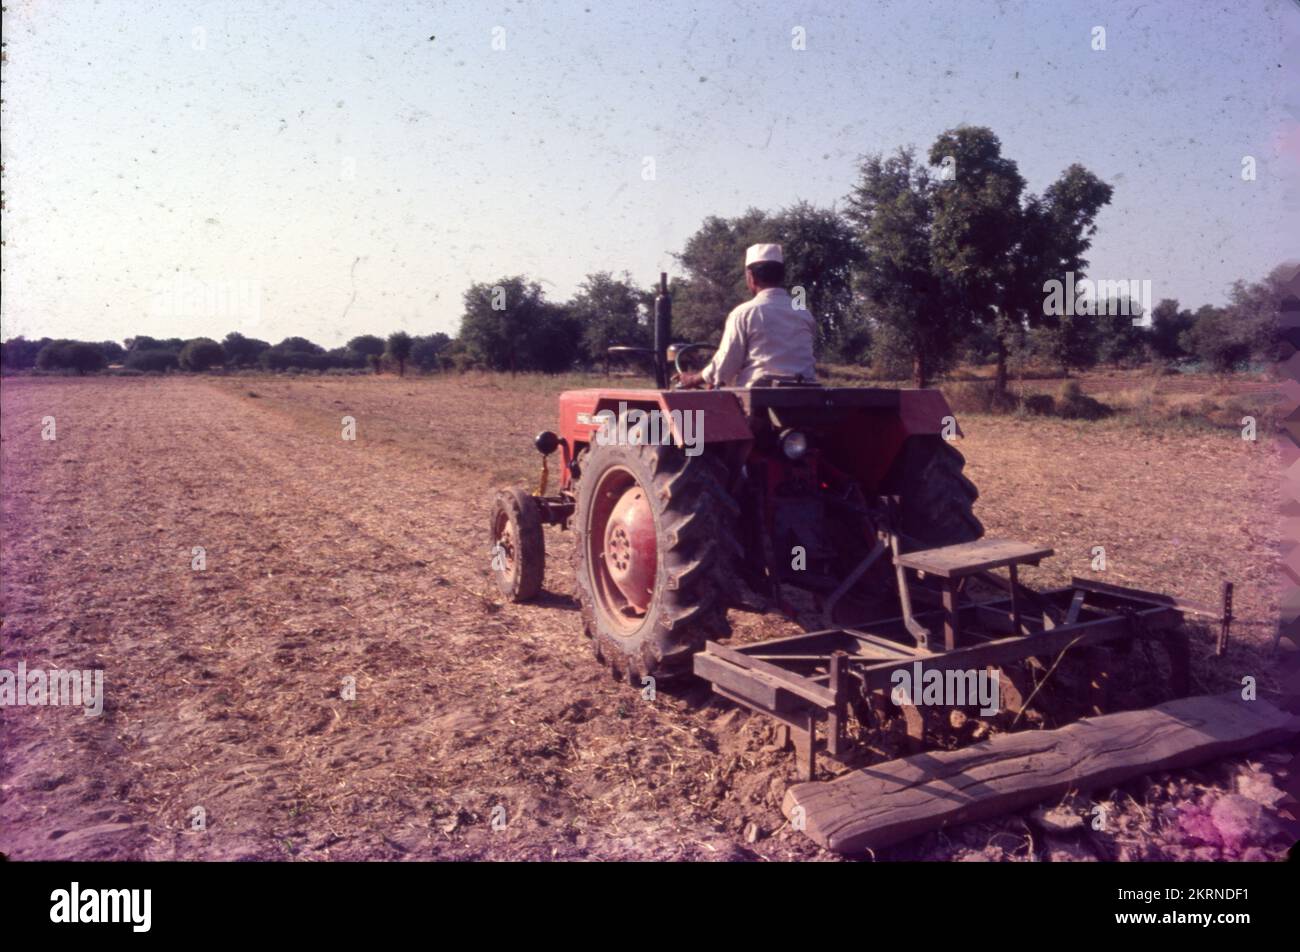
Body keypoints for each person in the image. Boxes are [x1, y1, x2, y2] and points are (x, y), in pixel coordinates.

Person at [676, 243, 817, 389]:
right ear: (781, 276)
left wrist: (692, 379)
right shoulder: (803, 313)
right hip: (806, 393)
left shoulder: (744, 313)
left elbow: (726, 362)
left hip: (760, 398)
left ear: (751, 277)